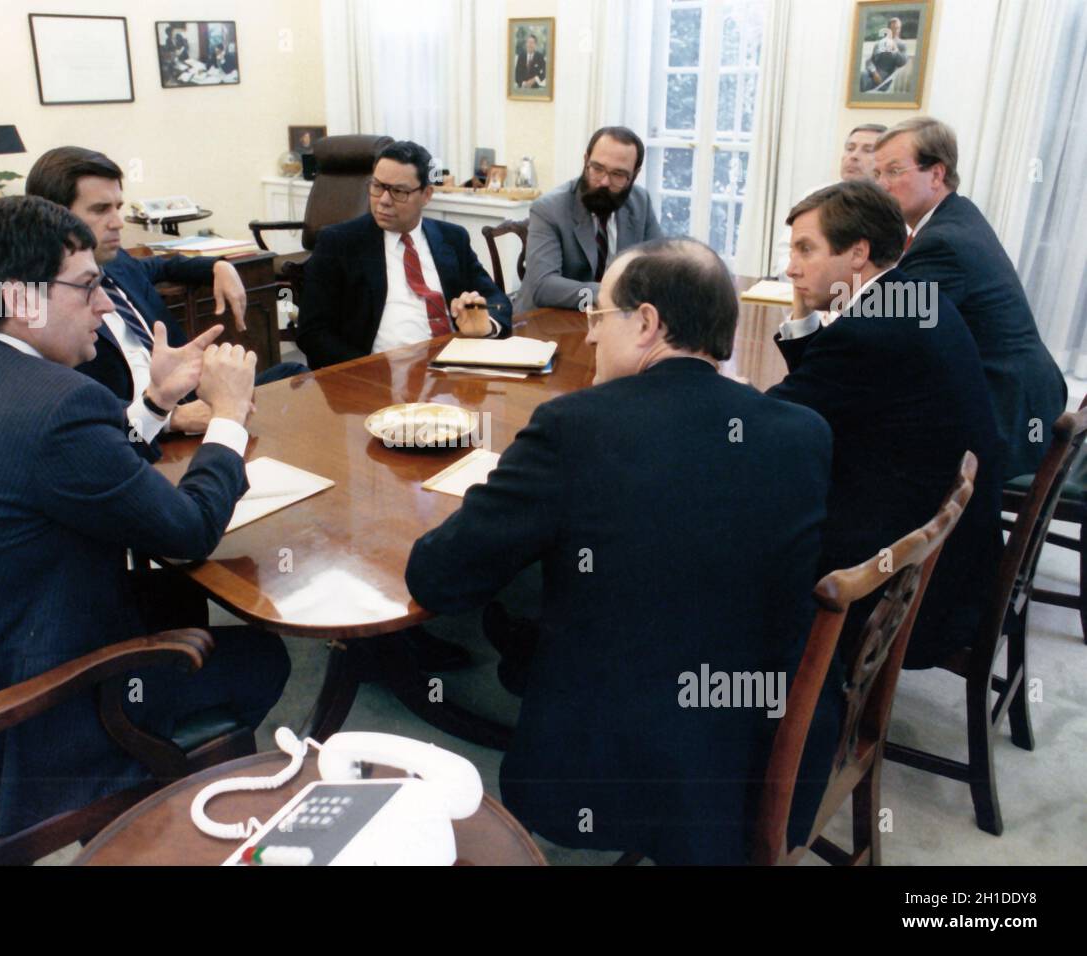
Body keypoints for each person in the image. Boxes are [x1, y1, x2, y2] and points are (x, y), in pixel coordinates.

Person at [407, 238, 841, 864]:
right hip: (774, 742)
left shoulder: (575, 426)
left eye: (598, 317)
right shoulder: (804, 430)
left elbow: (439, 578)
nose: (588, 338)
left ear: (646, 323)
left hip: (622, 762)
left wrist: (492, 494)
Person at [0, 196, 290, 837]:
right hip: (14, 726)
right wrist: (230, 417)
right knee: (265, 656)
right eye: (87, 286)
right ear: (20, 300)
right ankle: (173, 830)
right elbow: (187, 533)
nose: (104, 304)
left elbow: (80, 473)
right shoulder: (55, 404)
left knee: (181, 602)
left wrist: (154, 400)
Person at [770, 180, 1003, 668]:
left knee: (736, 531)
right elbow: (824, 398)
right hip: (953, 552)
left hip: (910, 583)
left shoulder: (869, 332)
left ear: (858, 252)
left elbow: (781, 424)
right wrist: (803, 311)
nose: (790, 267)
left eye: (804, 250)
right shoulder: (909, 296)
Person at [26, 147, 305, 449]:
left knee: (295, 376)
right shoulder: (43, 308)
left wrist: (218, 265)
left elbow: (162, 264)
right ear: (55, 217)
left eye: (118, 207)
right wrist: (172, 417)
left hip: (193, 397)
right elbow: (73, 409)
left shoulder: (116, 262)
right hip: (139, 435)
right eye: (100, 210)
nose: (117, 221)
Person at [873, 117, 1067, 478]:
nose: (881, 185)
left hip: (1007, 415)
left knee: (875, 444)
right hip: (1028, 398)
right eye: (877, 174)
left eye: (894, 171)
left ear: (936, 174)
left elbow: (891, 330)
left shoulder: (943, 241)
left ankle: (929, 534)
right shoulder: (957, 216)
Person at [295, 139, 512, 370]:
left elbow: (498, 301)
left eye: (398, 191)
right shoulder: (339, 242)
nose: (384, 201)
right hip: (378, 379)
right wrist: (370, 371)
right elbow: (312, 333)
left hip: (454, 372)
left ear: (426, 195)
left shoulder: (453, 238)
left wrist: (485, 325)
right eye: (377, 186)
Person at [516, 126, 662, 312]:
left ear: (635, 174)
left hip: (612, 319)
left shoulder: (640, 202)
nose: (604, 182)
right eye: (597, 168)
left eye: (617, 174)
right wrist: (610, 295)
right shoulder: (549, 209)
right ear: (586, 161)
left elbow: (659, 268)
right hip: (546, 322)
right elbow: (544, 287)